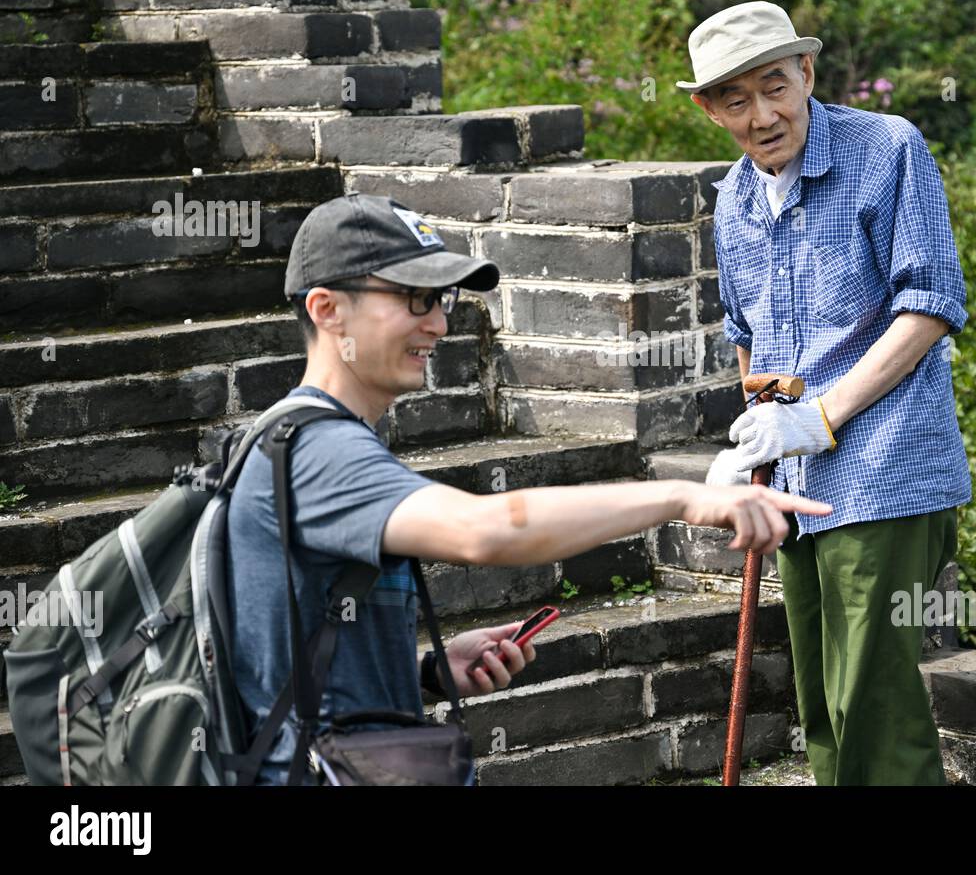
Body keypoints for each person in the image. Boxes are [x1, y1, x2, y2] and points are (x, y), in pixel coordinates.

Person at [226, 192, 831, 784]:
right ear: (327, 309)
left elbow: (290, 654)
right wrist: (683, 497)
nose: (439, 323)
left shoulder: (314, 440)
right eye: (415, 299)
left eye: (442, 299)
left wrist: (429, 671)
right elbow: (486, 529)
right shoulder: (317, 451)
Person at [681, 2, 972, 785]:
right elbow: (747, 331)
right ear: (710, 110)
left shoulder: (887, 150)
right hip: (795, 486)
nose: (762, 116)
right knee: (823, 710)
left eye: (775, 87)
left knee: (872, 711)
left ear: (807, 72)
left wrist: (818, 418)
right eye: (736, 100)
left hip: (884, 472)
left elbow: (930, 306)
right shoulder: (734, 198)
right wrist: (754, 439)